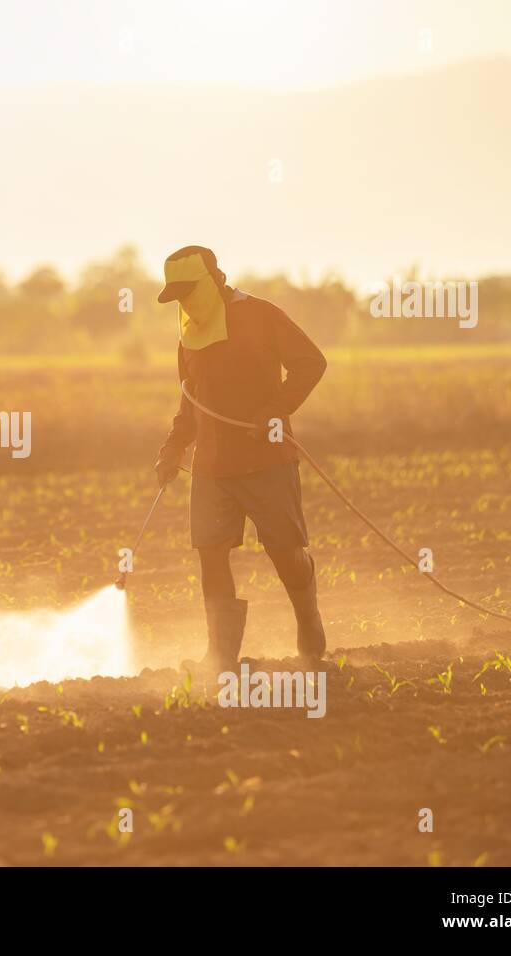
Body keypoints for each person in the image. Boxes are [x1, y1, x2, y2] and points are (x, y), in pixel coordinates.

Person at [153, 245, 328, 673]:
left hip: (267, 458)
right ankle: (221, 657)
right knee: (211, 555)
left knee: (285, 551)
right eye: (176, 295)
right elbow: (190, 399)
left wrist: (275, 409)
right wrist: (175, 445)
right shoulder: (189, 334)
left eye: (189, 290)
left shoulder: (260, 315)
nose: (184, 302)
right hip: (212, 467)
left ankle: (308, 620)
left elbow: (311, 362)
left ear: (214, 280)